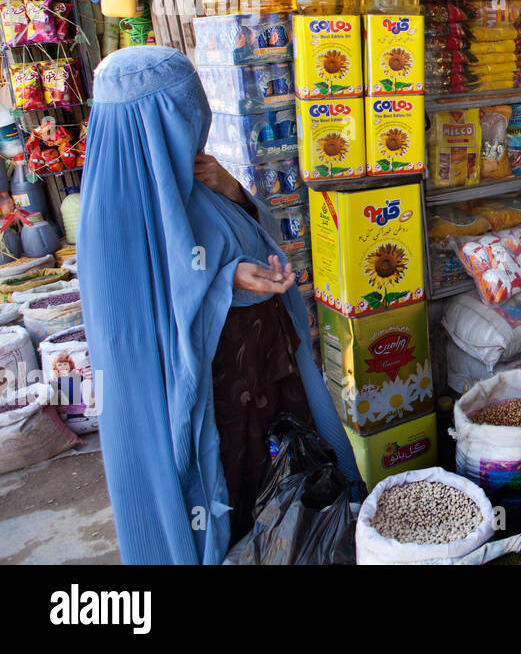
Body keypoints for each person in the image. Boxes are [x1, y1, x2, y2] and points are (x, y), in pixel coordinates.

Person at [79, 46, 359, 564]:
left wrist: (235, 192)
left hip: (267, 385)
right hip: (220, 407)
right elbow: (143, 329)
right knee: (241, 519)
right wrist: (227, 284)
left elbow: (253, 236)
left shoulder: (197, 181)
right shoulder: (117, 213)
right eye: (187, 108)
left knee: (292, 514)